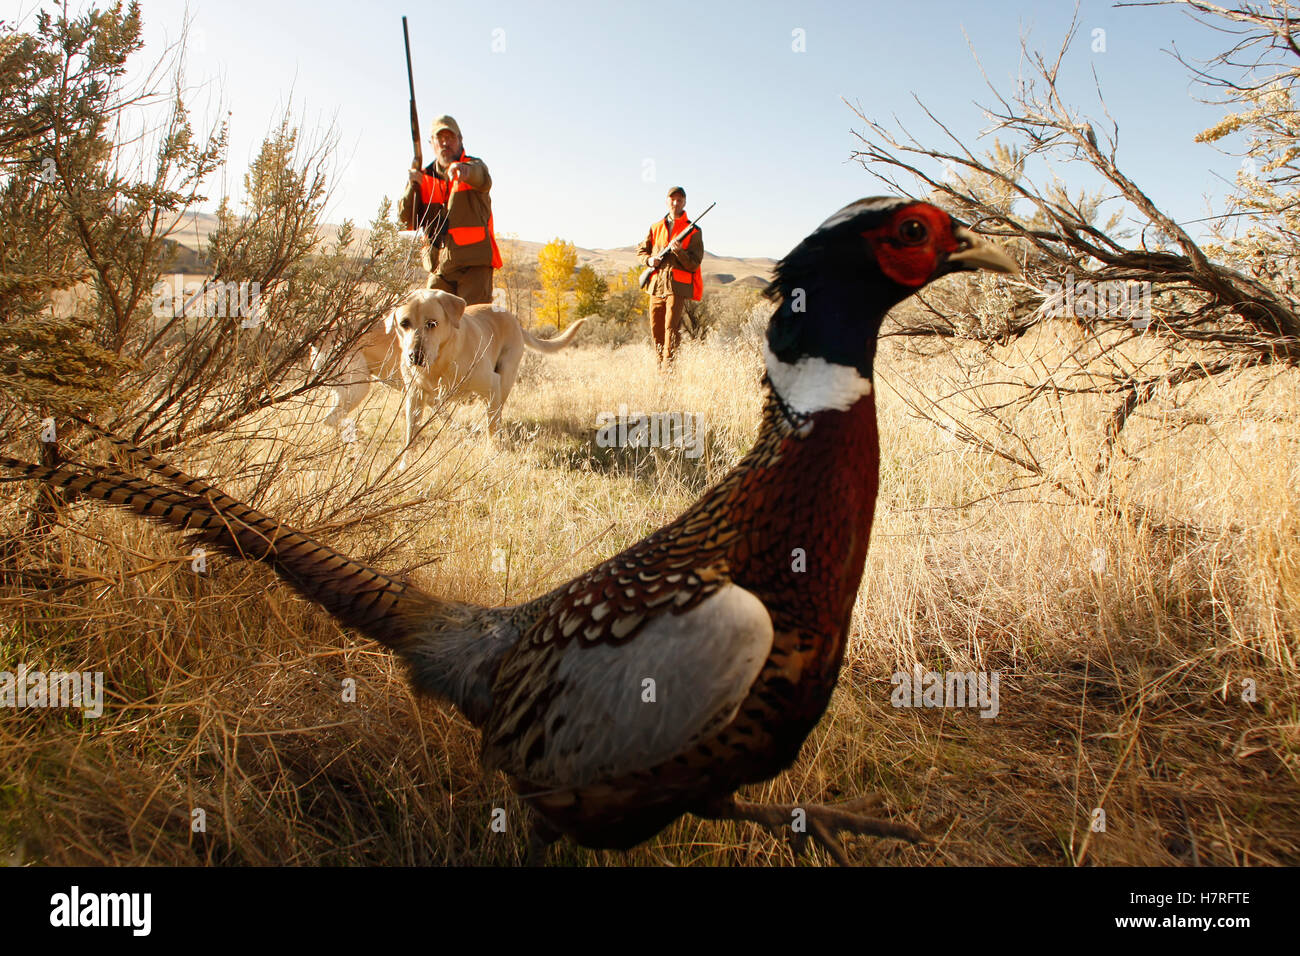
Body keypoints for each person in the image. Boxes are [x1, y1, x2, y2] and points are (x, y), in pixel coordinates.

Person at [398, 115, 502, 305]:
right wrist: (412, 186)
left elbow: (481, 176)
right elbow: (406, 221)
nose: (445, 143)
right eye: (440, 138)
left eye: (451, 137)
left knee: (472, 325)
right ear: (432, 143)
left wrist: (464, 171)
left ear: (460, 140)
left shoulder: (474, 166)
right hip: (440, 269)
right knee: (430, 321)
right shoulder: (424, 177)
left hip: (474, 267)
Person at [637, 186, 703, 368]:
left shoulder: (694, 231)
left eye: (680, 200)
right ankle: (660, 366)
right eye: (672, 199)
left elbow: (694, 263)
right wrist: (650, 261)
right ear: (667, 201)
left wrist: (680, 252)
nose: (676, 203)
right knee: (656, 328)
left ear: (685, 202)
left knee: (670, 328)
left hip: (677, 286)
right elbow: (641, 250)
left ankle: (669, 371)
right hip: (656, 285)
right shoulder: (655, 227)